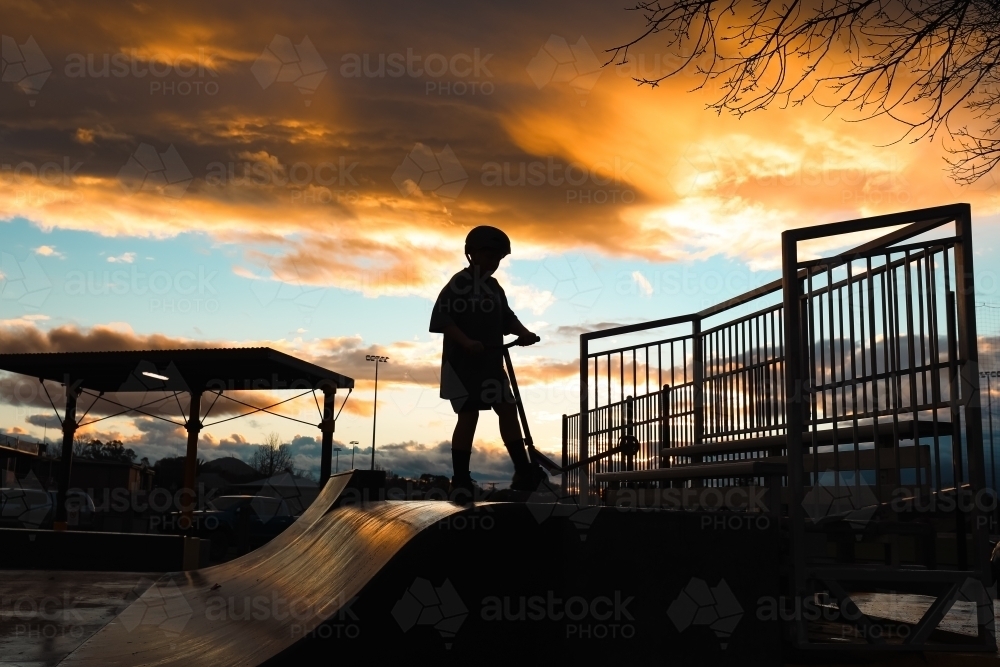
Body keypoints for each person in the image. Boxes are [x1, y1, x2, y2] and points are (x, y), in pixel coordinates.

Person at [429, 225, 544, 496]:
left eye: (498, 259)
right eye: (490, 257)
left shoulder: (494, 287)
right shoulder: (460, 283)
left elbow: (507, 317)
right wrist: (466, 341)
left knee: (507, 408)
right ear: (472, 254)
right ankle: (460, 479)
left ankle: (522, 471)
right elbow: (443, 319)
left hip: (491, 362)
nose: (494, 264)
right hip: (462, 364)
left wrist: (524, 332)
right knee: (469, 417)